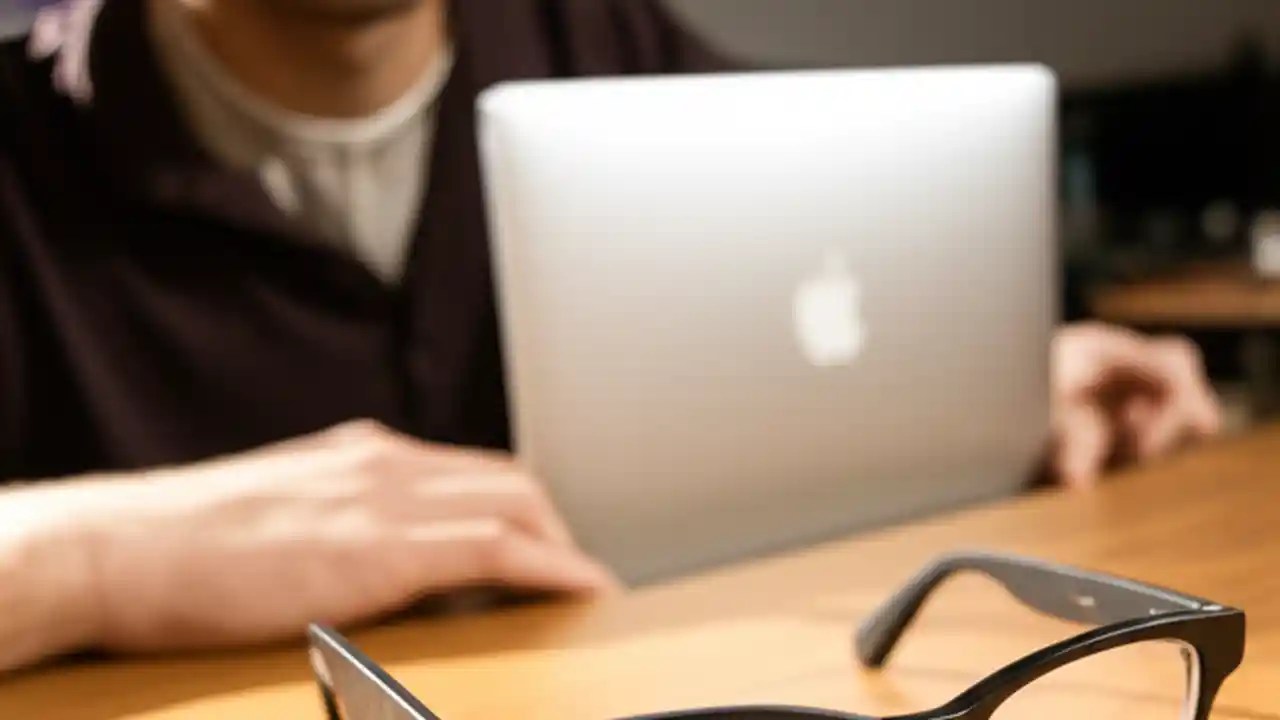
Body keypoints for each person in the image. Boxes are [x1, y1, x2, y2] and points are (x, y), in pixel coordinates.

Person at [0, 0, 1222, 674]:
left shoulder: (607, 52)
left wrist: (1002, 374)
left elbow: (816, 316)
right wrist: (94, 558)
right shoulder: (29, 144)